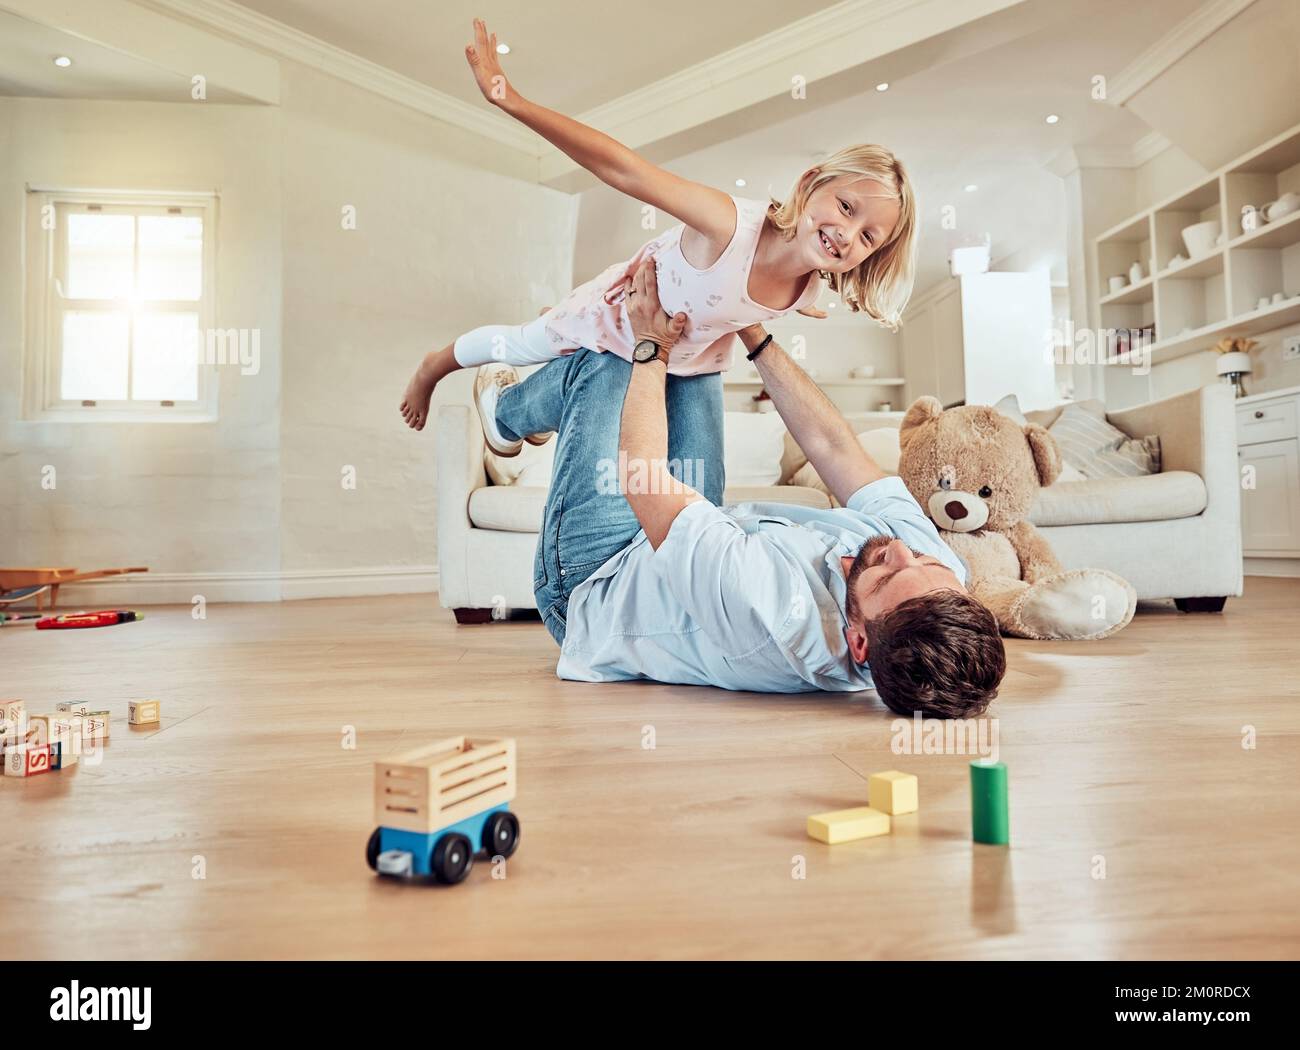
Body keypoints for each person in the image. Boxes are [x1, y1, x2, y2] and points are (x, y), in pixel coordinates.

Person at [472, 256, 1007, 718]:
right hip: (690, 533)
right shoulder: (936, 576)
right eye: (926, 561)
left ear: (859, 642)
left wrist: (650, 346)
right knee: (704, 345)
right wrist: (752, 325)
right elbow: (833, 448)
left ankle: (506, 415)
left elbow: (643, 478)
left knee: (612, 353)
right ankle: (565, 386)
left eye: (887, 575)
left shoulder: (770, 614)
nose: (901, 550)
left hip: (599, 578)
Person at [399, 18, 918, 440]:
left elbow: (754, 295)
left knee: (693, 469)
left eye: (867, 237)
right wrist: (513, 100)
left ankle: (545, 375)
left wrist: (796, 297)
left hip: (681, 362)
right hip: (616, 322)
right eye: (846, 207)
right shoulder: (728, 224)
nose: (848, 234)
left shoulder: (807, 287)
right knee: (522, 345)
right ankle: (435, 365)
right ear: (810, 183)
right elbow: (625, 169)